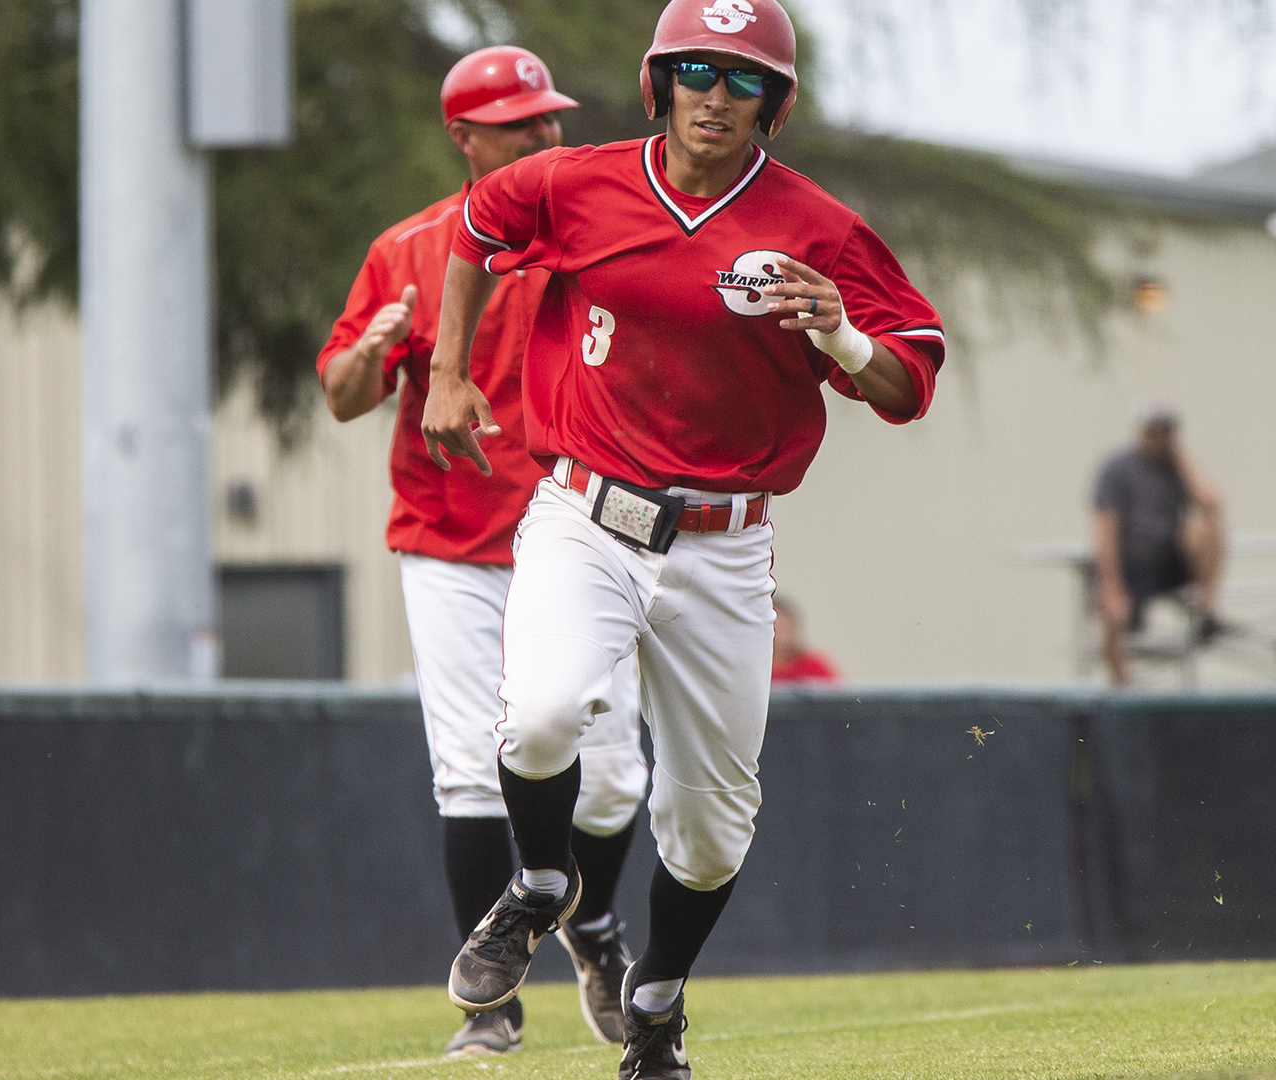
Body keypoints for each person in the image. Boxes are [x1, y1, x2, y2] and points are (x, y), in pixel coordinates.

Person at [420, 3, 944, 1077]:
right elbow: (475, 227)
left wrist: (839, 329)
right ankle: (541, 883)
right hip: (587, 509)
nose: (716, 94)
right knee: (541, 716)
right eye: (696, 70)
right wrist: (446, 370)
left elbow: (911, 382)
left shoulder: (819, 228)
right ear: (661, 83)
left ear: (775, 103)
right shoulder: (575, 184)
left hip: (725, 542)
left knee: (709, 829)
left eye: (742, 78)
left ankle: (656, 996)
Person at [315, 46, 652, 1057]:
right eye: (517, 124)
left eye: (548, 118)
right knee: (468, 771)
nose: (544, 135)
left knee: (612, 779)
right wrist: (375, 350)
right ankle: (489, 1007)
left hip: (583, 534)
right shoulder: (411, 247)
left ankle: (590, 927)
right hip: (454, 538)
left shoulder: (595, 232)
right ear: (464, 138)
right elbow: (341, 391)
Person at [1092, 401, 1228, 686]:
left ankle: (1207, 612)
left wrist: (1182, 460)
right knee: (1113, 613)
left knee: (1205, 529)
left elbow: (1213, 504)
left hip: (1168, 561)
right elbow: (1105, 529)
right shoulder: (1118, 468)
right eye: (1155, 431)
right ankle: (1122, 690)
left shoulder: (1177, 468)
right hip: (1132, 561)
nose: (1160, 438)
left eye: (1167, 431)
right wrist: (1112, 585)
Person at [769, 596, 842, 686]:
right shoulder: (755, 667)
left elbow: (836, 693)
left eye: (785, 627)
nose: (782, 635)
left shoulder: (813, 665)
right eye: (776, 627)